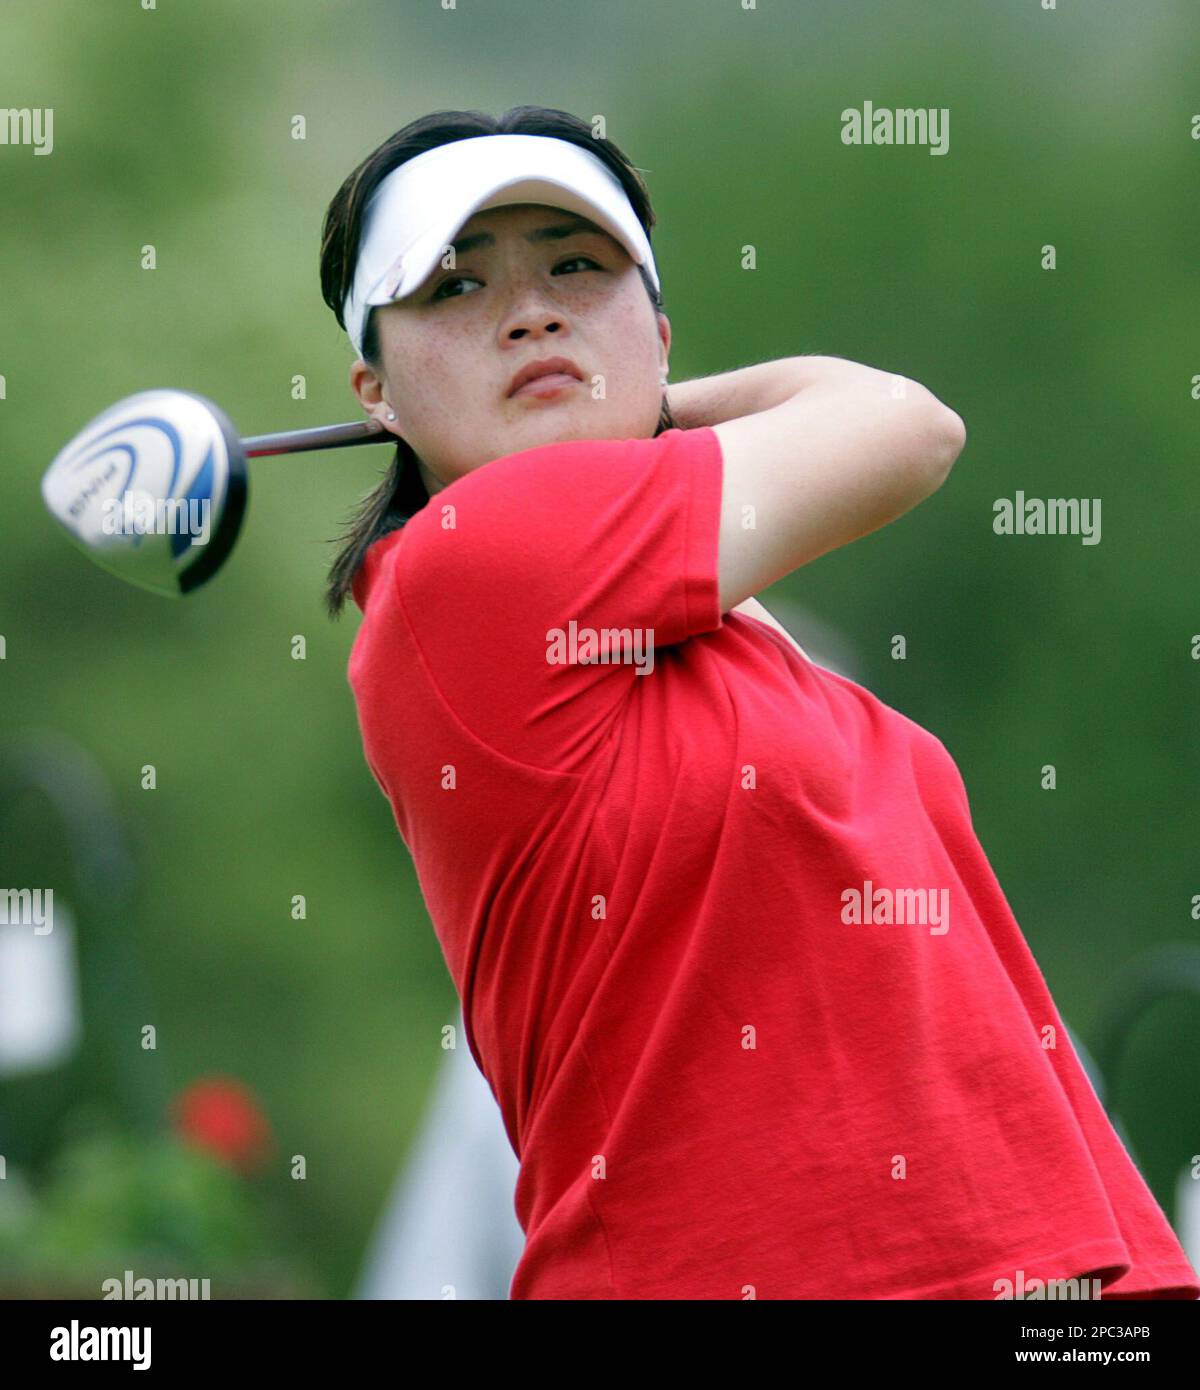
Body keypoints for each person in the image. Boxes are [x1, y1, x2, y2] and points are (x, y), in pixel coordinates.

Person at [319, 105, 1200, 1300]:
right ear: (374, 388)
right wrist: (644, 400)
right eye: (456, 289)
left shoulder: (715, 625)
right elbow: (905, 424)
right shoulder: (474, 559)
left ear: (662, 326)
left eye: (578, 266)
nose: (529, 308)